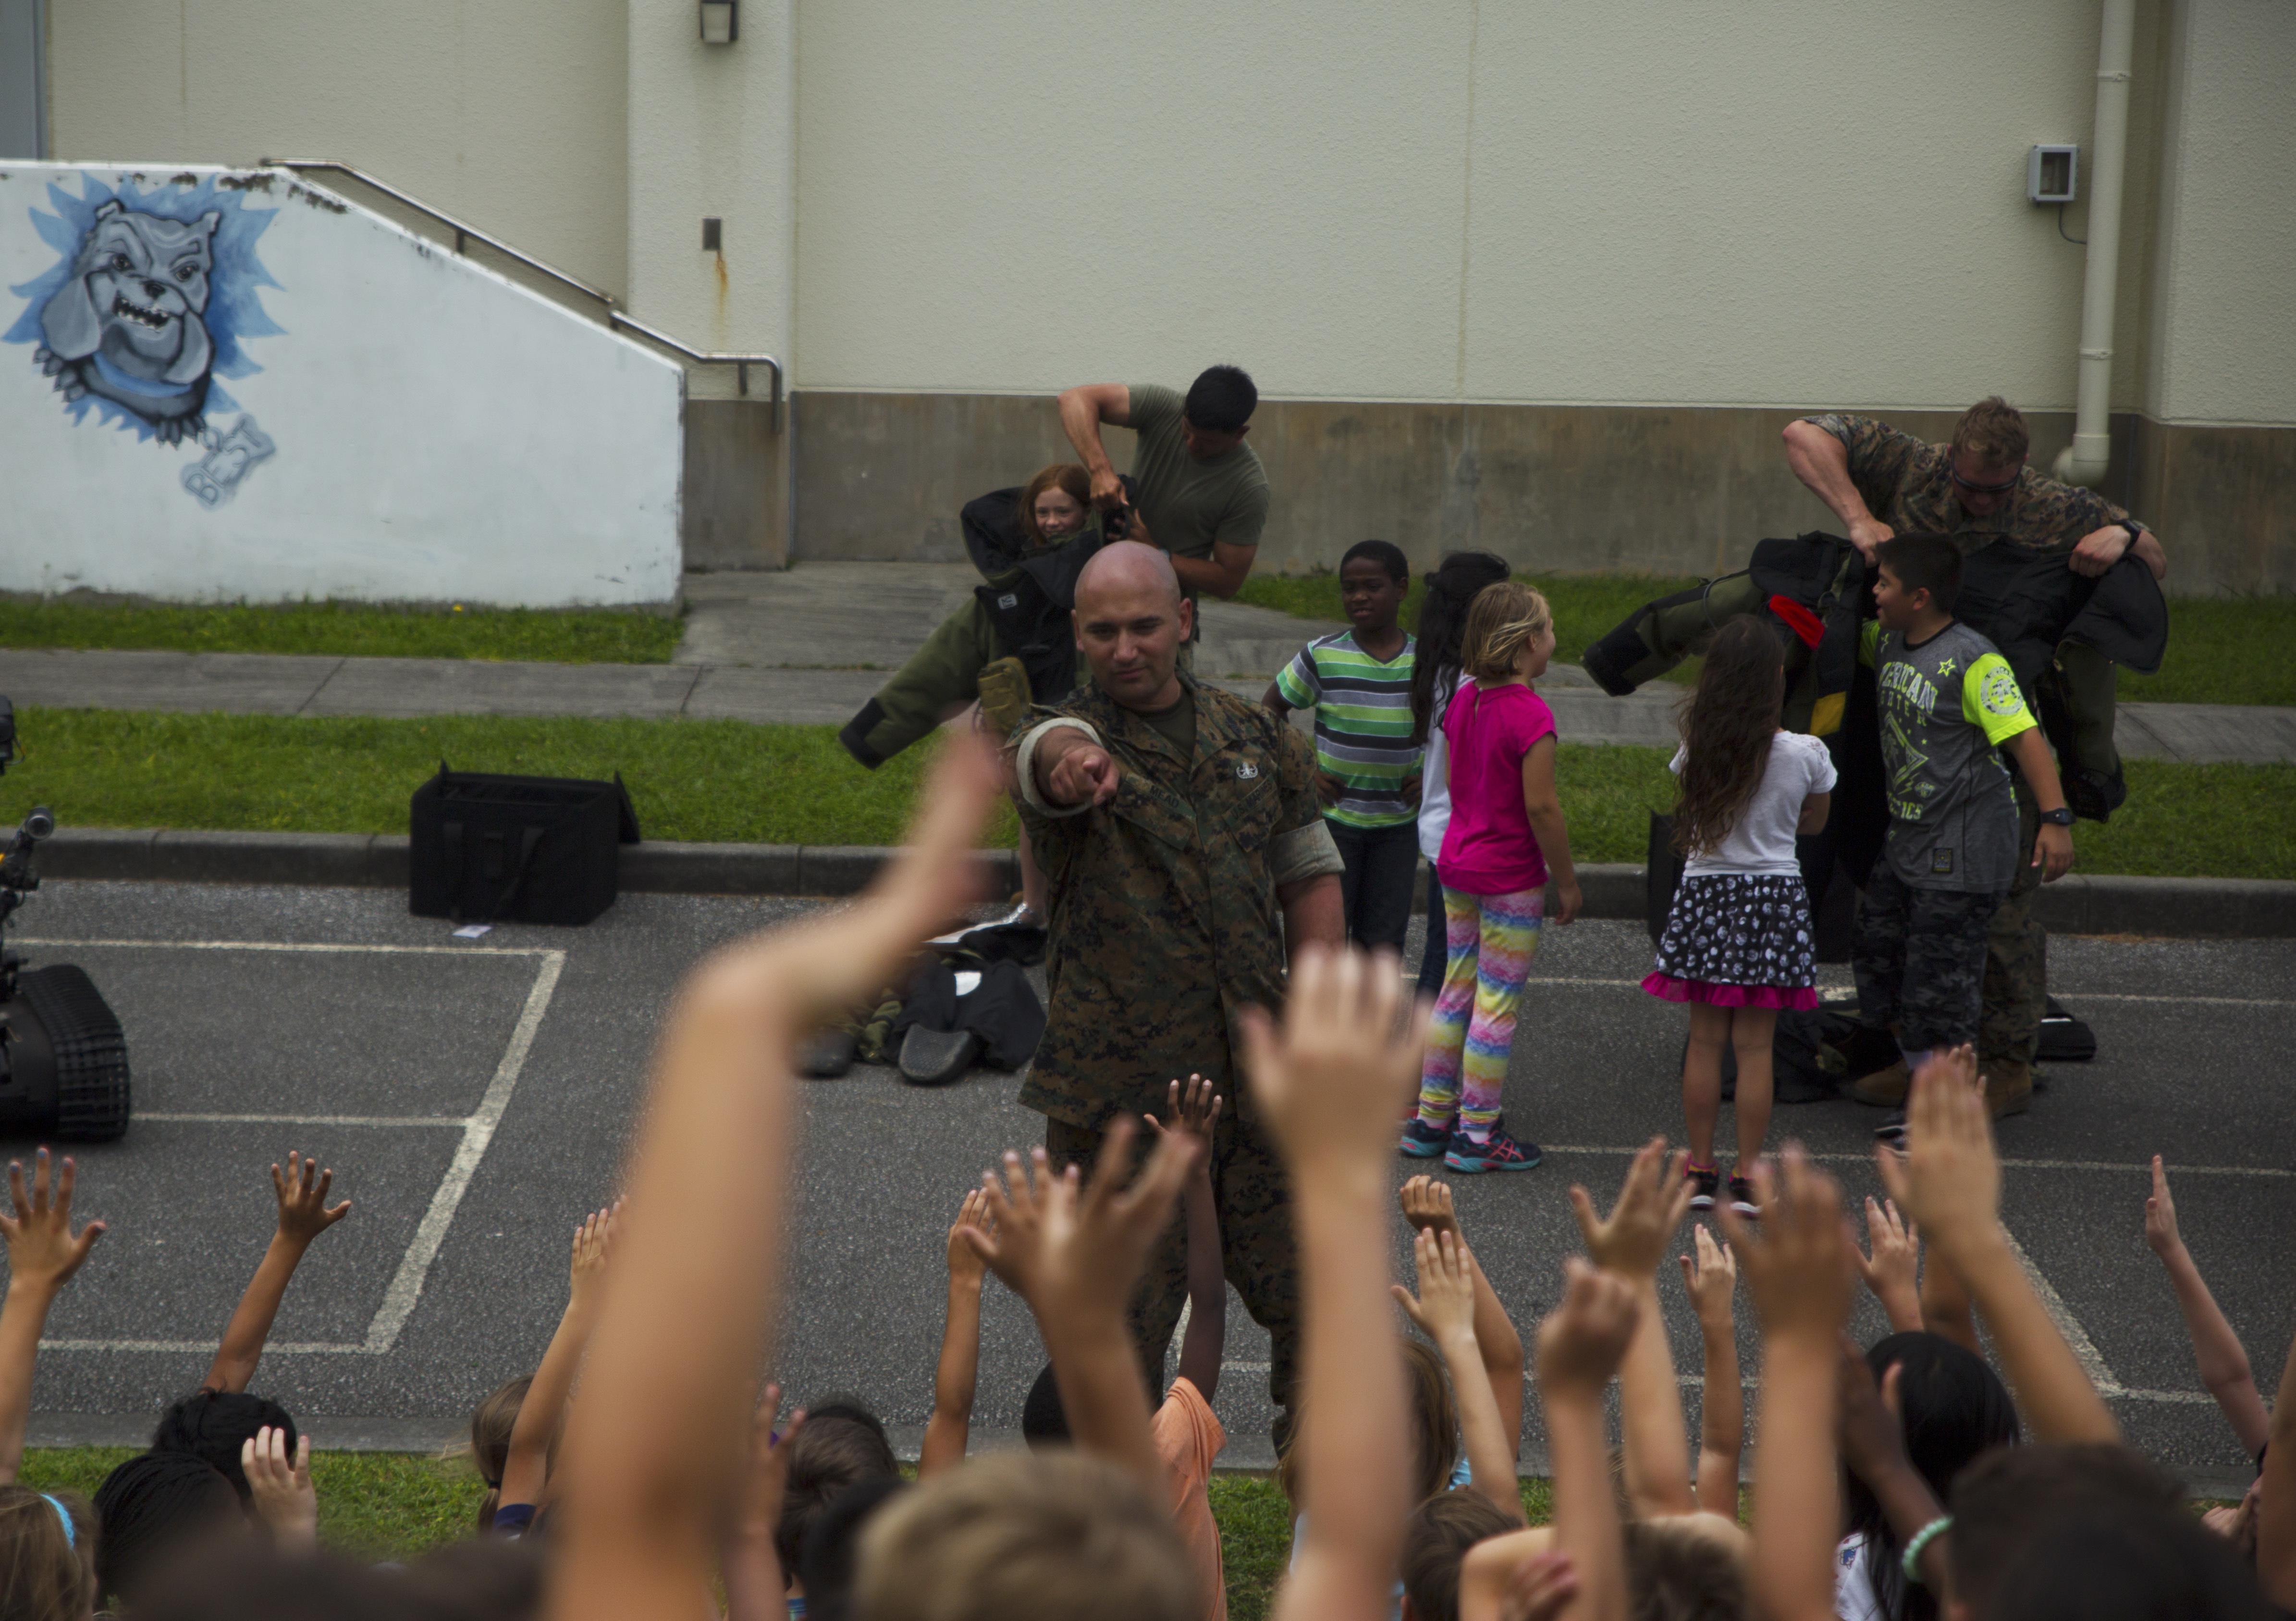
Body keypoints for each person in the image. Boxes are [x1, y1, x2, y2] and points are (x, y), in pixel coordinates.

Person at [1003, 540, 1343, 1425]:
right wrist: (1070, 760)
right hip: (1121, 1104)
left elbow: (1307, 874)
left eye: (1144, 625)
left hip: (1255, 1088)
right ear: (1077, 634)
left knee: (1316, 1306)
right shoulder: (1068, 739)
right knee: (1117, 1330)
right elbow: (1040, 754)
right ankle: (1118, 1530)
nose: (1126, 648)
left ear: (1183, 620)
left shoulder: (1256, 736)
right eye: (1104, 631)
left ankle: (1326, 1506)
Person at [1782, 395, 2164, 1109]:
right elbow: (1802, 434)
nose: (1979, 500)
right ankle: (1913, 1047)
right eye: (1967, 485)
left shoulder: (2049, 506)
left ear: (2020, 471)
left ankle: (2005, 1063)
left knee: (1998, 917)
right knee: (1894, 916)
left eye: (1996, 488)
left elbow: (2150, 559)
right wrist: (1859, 518)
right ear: (1948, 459)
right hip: (1914, 757)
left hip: (1991, 749)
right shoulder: (1913, 469)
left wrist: (2125, 534)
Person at [1850, 535, 2075, 1117]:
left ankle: (1943, 1096)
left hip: (1964, 844)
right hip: (1909, 837)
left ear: (1920, 596)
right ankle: (1916, 1063)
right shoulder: (1887, 642)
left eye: (1884, 583)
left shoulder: (1976, 661)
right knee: (1880, 949)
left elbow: (2026, 737)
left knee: (1941, 979)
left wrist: (2055, 820)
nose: (1873, 592)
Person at [840, 462, 1116, 925]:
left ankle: (1074, 910)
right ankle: (1036, 907)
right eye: (1041, 512)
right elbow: (941, 667)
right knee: (1037, 810)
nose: (1051, 522)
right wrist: (869, 734)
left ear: (1087, 512)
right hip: (1036, 732)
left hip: (1100, 726)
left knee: (1096, 815)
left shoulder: (1111, 570)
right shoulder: (1010, 589)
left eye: (1063, 511)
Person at [1642, 618, 1836, 1214]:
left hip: (1706, 894)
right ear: (1777, 680)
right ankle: (1750, 1175)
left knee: (1704, 1041)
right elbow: (1816, 822)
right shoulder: (1806, 753)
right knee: (1757, 1049)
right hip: (1772, 897)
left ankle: (1699, 1170)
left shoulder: (1697, 748)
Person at [1403, 582, 1580, 1174]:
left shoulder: (1465, 700)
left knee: (1455, 988)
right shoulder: (1532, 714)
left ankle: (1432, 1118)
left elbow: (1457, 785)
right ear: (1531, 642)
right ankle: (1478, 1133)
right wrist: (1569, 881)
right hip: (1509, 876)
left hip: (1458, 863)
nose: (1555, 640)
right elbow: (1542, 808)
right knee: (1496, 1002)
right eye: (1550, 630)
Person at [1265, 540, 1422, 951]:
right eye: (1349, 588)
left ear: (1401, 589)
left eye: (1372, 586)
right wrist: (1301, 774)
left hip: (1398, 828)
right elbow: (1270, 710)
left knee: (1382, 945)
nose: (1359, 597)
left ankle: (1371, 1019)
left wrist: (1435, 777)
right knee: (1326, 941)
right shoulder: (1323, 655)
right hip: (1334, 825)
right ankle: (1323, 1019)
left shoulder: (1425, 661)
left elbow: (1452, 728)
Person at [1056, 367, 1270, 608]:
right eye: (1187, 431)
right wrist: (1100, 470)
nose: (1191, 445)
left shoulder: (1248, 487)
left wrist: (1157, 554)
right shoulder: (1166, 407)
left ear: (1240, 433)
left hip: (1164, 605)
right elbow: (1073, 399)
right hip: (1104, 586)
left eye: (1207, 442)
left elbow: (1227, 582)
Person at [1406, 553, 1513, 997]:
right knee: (1452, 966)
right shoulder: (1476, 684)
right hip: (1468, 839)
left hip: (1442, 834)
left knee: (1447, 959)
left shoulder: (1437, 669)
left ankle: (1432, 1062)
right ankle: (1427, 1064)